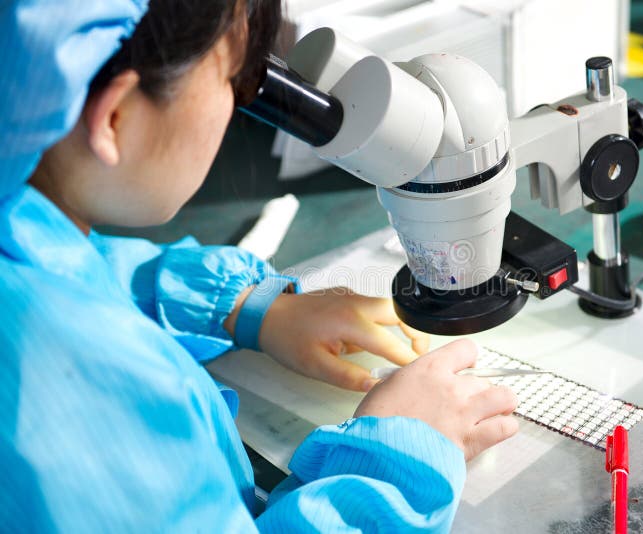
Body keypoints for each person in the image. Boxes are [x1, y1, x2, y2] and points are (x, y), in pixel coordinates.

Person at [0, 0, 519, 531]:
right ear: (116, 117)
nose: (235, 106)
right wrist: (394, 458)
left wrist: (246, 306)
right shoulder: (89, 389)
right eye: (230, 80)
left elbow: (77, 273)